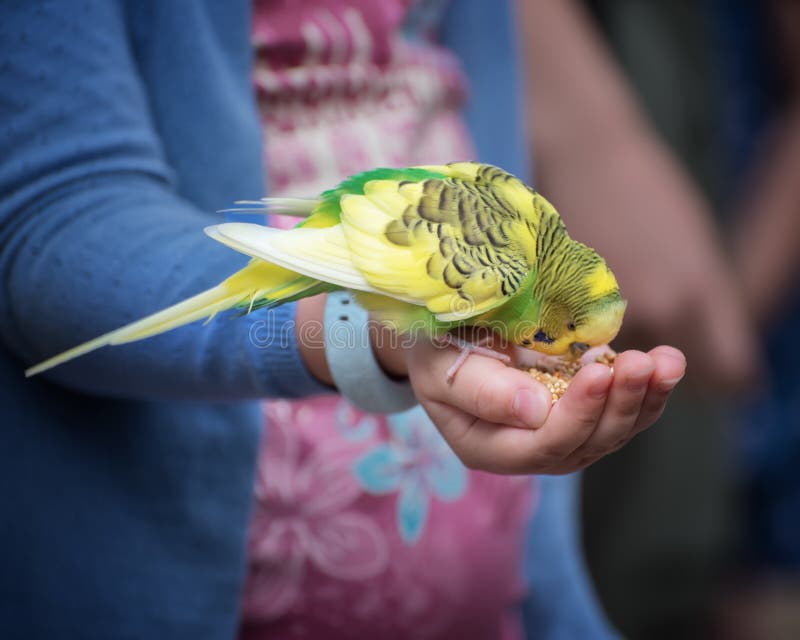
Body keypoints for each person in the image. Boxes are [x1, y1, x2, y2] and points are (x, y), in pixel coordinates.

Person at [0, 2, 684, 639]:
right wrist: (388, 331)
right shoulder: (500, 266)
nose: (556, 350)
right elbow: (56, 224)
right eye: (561, 335)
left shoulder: (528, 244)